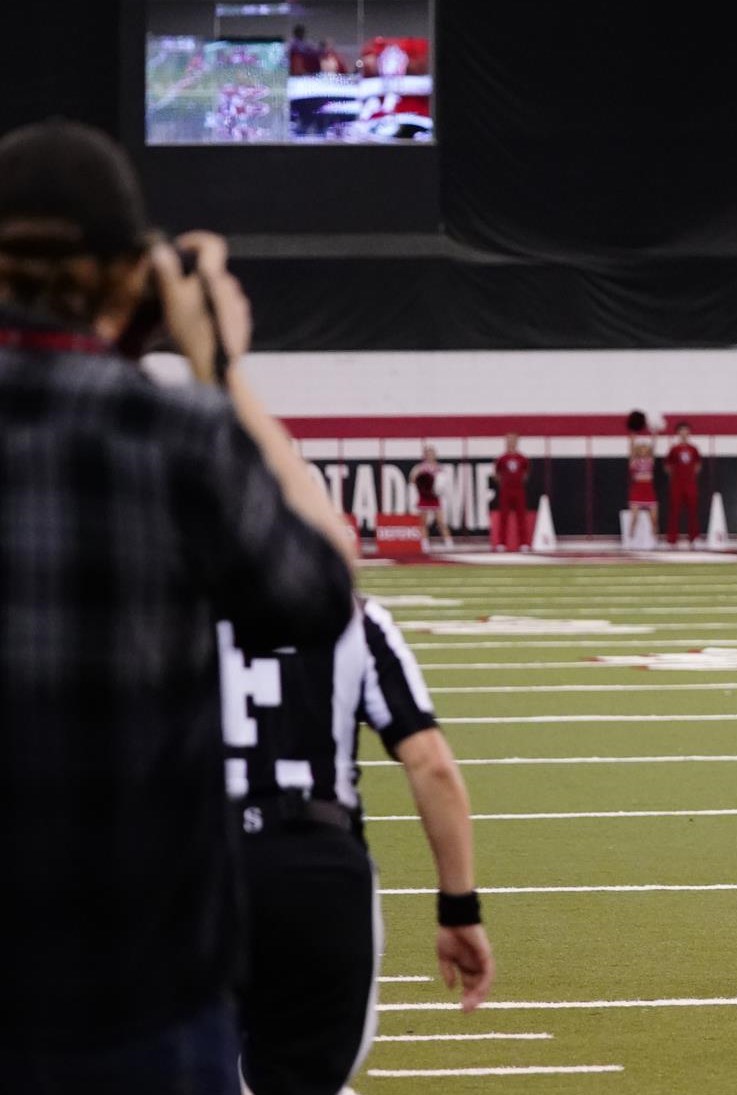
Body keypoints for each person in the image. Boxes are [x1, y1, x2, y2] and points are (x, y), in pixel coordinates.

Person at [0, 120, 356, 1092]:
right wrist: (220, 369)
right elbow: (320, 592)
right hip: (138, 993)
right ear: (127, 275)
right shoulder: (171, 435)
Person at [221, 597, 494, 1093]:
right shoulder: (353, 618)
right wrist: (459, 908)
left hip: (195, 869)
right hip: (319, 870)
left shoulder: (161, 601)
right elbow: (431, 763)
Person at [664, 421, 702, 548]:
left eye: (686, 431)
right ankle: (672, 540)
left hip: (690, 484)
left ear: (689, 433)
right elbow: (667, 466)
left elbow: (698, 465)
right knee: (674, 511)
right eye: (682, 431)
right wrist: (675, 476)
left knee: (693, 511)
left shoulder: (693, 449)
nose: (684, 433)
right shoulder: (674, 449)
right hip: (677, 484)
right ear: (678, 433)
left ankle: (694, 538)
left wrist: (690, 475)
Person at [491, 432, 530, 552]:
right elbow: (496, 474)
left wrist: (517, 481)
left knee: (521, 517)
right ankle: (501, 543)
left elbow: (525, 474)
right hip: (505, 491)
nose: (511, 443)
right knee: (503, 517)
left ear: (517, 442)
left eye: (513, 440)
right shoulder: (501, 459)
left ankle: (524, 543)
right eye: (509, 440)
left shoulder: (522, 458)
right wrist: (504, 483)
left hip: (518, 491)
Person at [410, 444, 453, 548]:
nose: (430, 456)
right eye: (428, 454)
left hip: (434, 497)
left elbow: (444, 483)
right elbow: (413, 479)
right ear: (425, 455)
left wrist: (438, 489)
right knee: (423, 522)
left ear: (435, 455)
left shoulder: (439, 468)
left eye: (432, 453)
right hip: (424, 497)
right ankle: (425, 543)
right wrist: (421, 483)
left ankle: (448, 542)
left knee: (441, 521)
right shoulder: (420, 467)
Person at [626, 433, 659, 545]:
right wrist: (632, 440)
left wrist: (655, 435)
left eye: (645, 449)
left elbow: (654, 448)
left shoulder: (650, 460)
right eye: (641, 449)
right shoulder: (634, 461)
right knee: (634, 517)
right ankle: (630, 538)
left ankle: (654, 539)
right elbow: (631, 453)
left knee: (654, 519)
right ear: (638, 450)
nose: (643, 451)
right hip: (637, 489)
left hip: (649, 489)